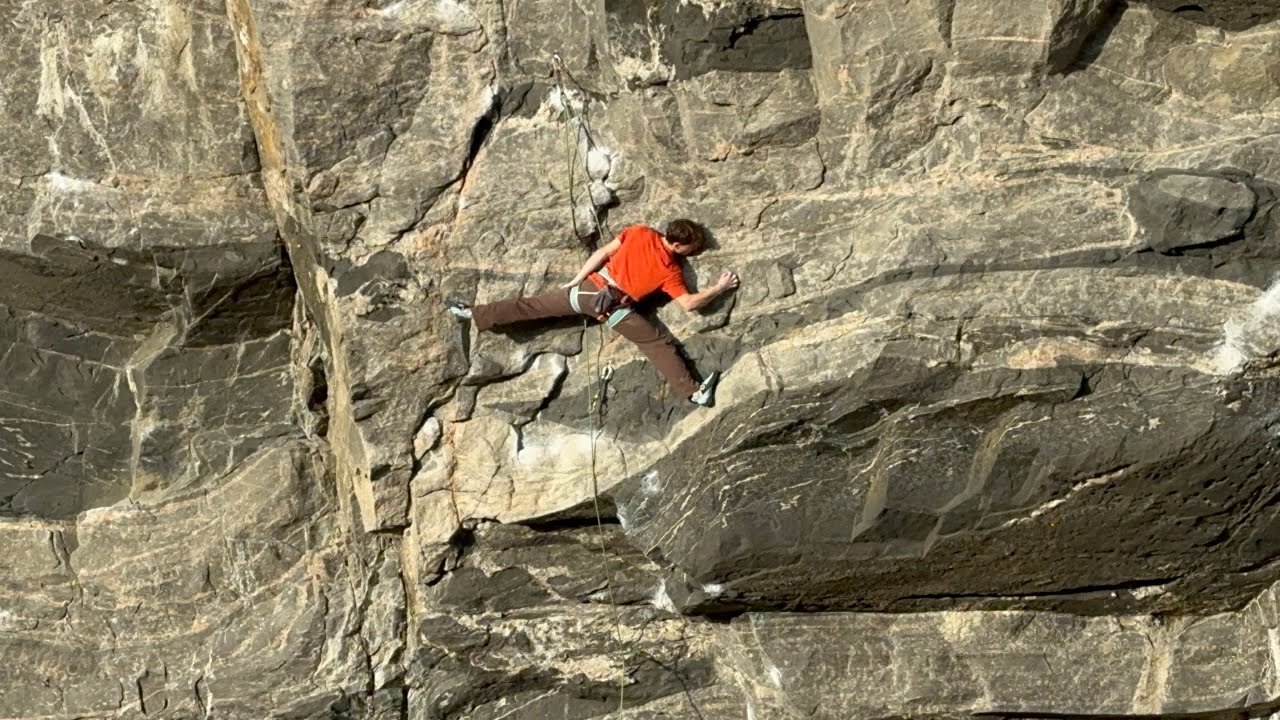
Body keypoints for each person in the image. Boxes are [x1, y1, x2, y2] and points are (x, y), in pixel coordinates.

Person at [446, 220, 739, 406]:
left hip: (587, 290)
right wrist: (720, 288)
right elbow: (688, 304)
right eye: (690, 248)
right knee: (656, 343)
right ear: (676, 244)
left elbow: (601, 254)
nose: (692, 252)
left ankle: (471, 314)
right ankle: (694, 392)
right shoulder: (670, 270)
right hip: (613, 308)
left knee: (530, 306)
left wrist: (576, 280)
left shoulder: (639, 232)